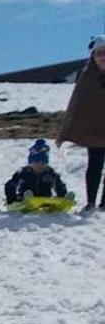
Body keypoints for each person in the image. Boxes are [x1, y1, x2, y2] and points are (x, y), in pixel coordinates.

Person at [56, 36, 105, 211]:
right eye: (99, 53)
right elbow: (75, 105)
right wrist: (63, 133)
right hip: (93, 130)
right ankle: (91, 202)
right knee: (95, 165)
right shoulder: (86, 77)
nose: (103, 56)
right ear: (93, 55)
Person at [5, 139, 71, 204]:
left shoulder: (50, 172)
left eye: (43, 163)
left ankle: (65, 199)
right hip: (24, 199)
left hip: (45, 199)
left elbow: (59, 186)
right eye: (36, 162)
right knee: (26, 194)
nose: (40, 165)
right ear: (31, 163)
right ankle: (27, 199)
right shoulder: (23, 172)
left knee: (56, 194)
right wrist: (11, 200)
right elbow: (10, 185)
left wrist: (62, 196)